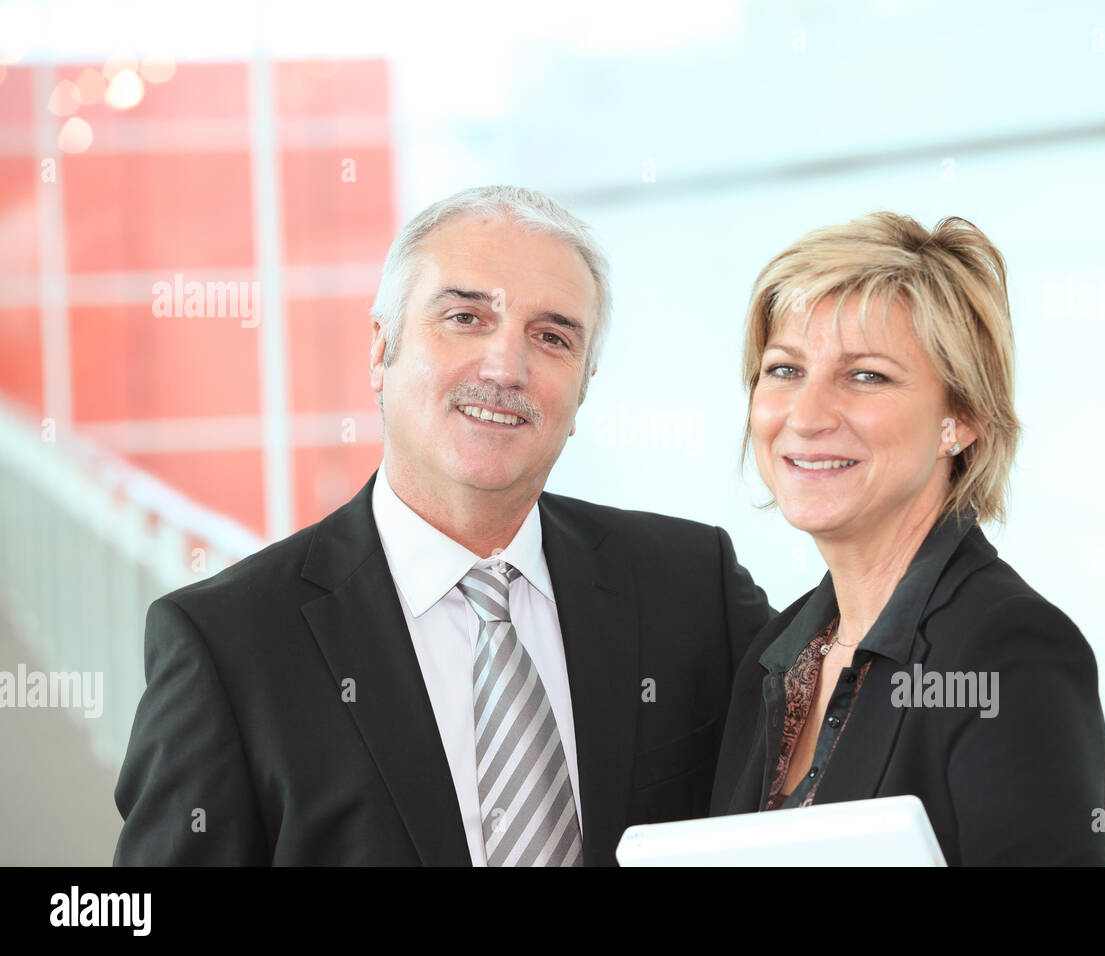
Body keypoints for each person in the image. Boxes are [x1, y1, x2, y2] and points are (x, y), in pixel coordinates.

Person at [113, 185, 773, 866]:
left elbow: (844, 732)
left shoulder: (691, 586)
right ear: (380, 349)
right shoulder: (229, 647)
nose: (505, 368)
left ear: (582, 389)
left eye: (551, 337)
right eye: (465, 317)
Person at [710, 212, 1105, 865]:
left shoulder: (1011, 657)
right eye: (784, 370)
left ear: (962, 418)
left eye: (865, 375)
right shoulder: (774, 655)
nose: (806, 417)